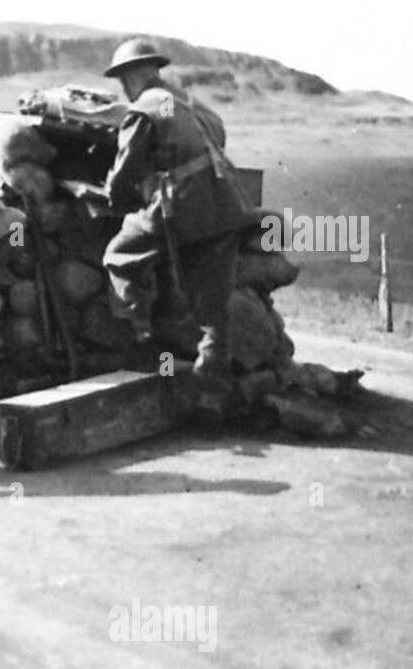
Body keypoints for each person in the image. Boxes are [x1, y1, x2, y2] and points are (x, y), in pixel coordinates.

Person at [99, 39, 257, 410]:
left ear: (134, 76)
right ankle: (213, 395)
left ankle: (143, 340)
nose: (123, 87)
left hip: (181, 207)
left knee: (119, 257)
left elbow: (124, 173)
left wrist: (117, 199)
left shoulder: (142, 110)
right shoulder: (186, 101)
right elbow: (217, 134)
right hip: (226, 203)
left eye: (123, 79)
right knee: (213, 305)